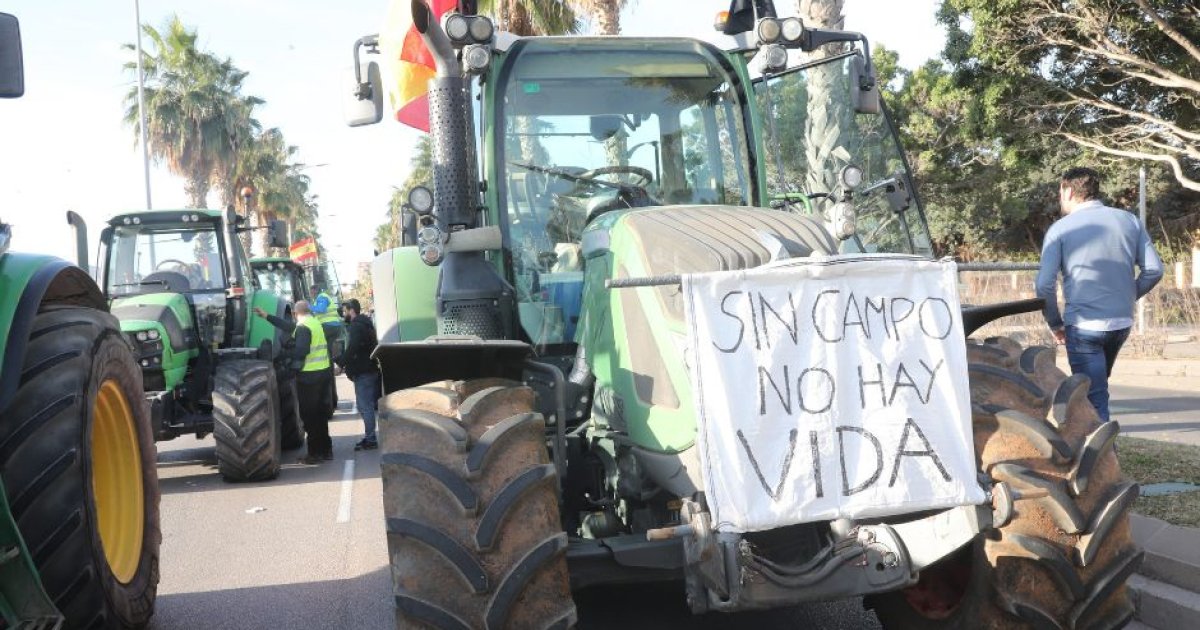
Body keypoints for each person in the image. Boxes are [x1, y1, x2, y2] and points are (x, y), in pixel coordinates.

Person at [1035, 167, 1164, 422]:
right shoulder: (1129, 221)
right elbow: (1154, 270)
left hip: (1083, 326)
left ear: (1069, 190)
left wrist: (1055, 322)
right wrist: (1127, 297)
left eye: (1060, 192)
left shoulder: (1060, 229)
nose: (1059, 198)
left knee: (1094, 399)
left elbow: (1044, 286)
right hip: (1121, 323)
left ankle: (1103, 457)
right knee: (1098, 388)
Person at [253, 300, 335, 463]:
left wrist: (283, 355)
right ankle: (326, 450)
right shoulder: (314, 323)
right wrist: (267, 316)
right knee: (320, 415)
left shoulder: (303, 327)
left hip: (309, 378)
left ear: (295, 314)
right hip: (323, 373)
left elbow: (301, 351)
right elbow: (287, 326)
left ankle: (314, 454)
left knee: (309, 417)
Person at [337, 298, 381, 451]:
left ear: (351, 310)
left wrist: (341, 363)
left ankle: (371, 439)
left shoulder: (356, 326)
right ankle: (369, 437)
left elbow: (353, 348)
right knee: (366, 406)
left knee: (365, 407)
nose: (344, 314)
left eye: (345, 311)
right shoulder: (366, 323)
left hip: (364, 372)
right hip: (368, 370)